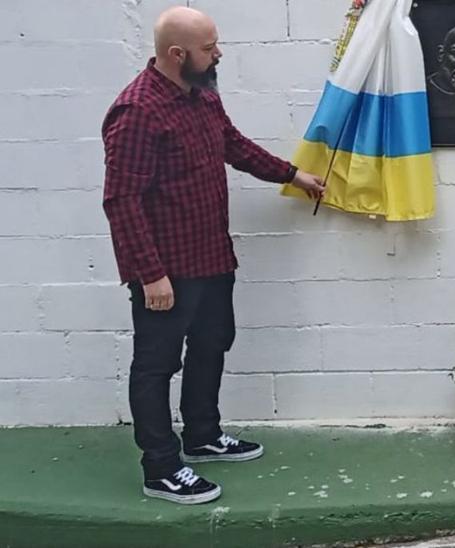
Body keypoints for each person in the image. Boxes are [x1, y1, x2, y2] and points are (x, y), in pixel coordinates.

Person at [101, 6, 326, 505]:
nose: (218, 53)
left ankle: (202, 436)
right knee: (156, 365)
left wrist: (292, 175)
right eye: (209, 47)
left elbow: (233, 145)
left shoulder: (201, 95)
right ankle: (160, 468)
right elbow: (121, 200)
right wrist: (151, 274)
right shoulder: (137, 111)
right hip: (167, 270)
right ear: (177, 54)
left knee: (212, 344)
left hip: (211, 256)